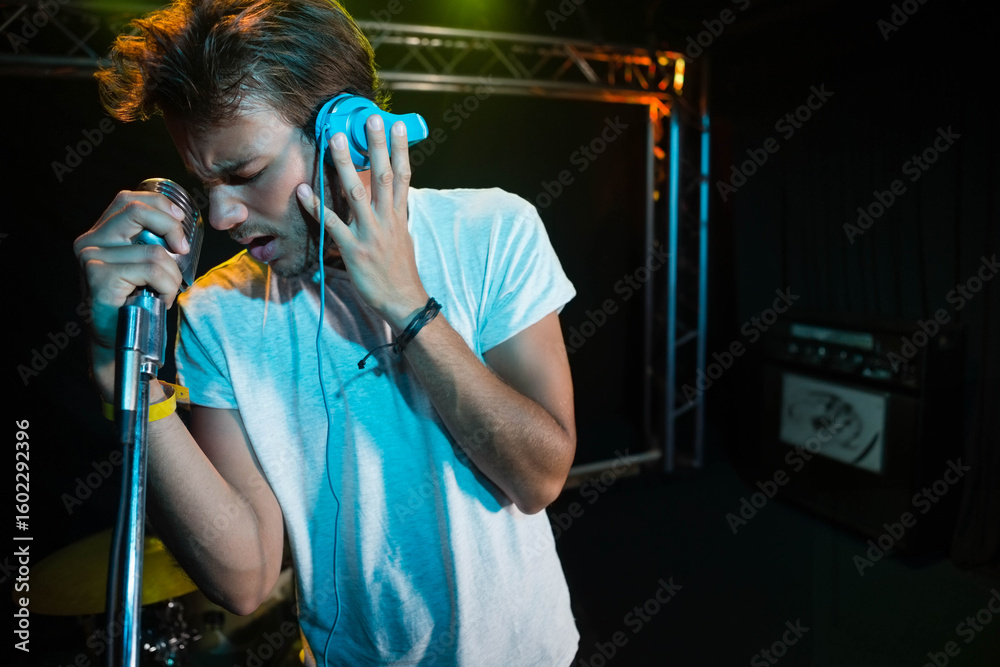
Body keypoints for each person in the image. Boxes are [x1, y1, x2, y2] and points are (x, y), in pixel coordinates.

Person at [72, 0, 580, 664]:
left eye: (246, 173)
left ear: (350, 133)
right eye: (206, 183)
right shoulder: (213, 315)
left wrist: (408, 305)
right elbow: (246, 579)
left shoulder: (494, 231)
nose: (222, 214)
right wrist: (122, 373)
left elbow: (539, 476)